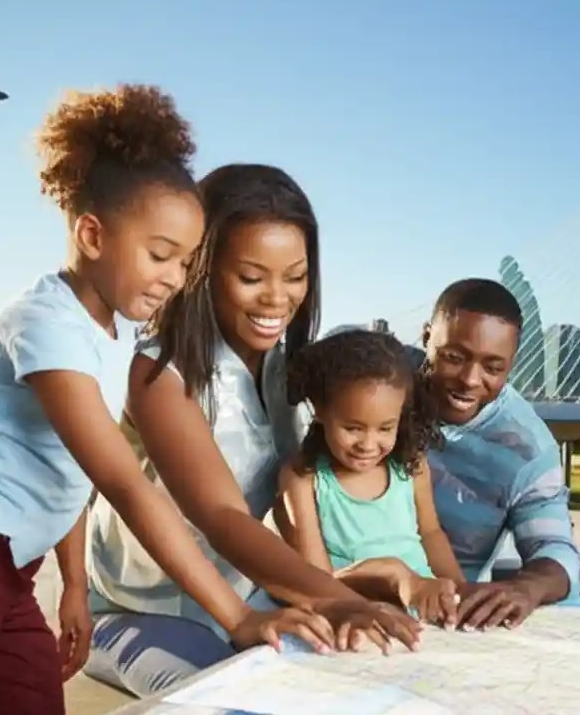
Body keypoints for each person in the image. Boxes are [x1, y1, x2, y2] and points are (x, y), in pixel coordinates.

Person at [0, 85, 351, 715]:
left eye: (186, 261)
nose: (176, 278)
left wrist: (69, 584)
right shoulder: (47, 325)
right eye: (161, 256)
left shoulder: (103, 335)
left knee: (34, 701)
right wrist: (238, 617)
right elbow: (121, 482)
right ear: (92, 233)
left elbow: (67, 475)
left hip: (10, 564)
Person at [84, 164, 421, 699]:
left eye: (295, 276)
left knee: (362, 679)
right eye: (251, 276)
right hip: (144, 610)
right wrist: (332, 596)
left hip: (249, 600)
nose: (277, 299)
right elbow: (221, 517)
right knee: (229, 700)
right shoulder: (157, 375)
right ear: (202, 267)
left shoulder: (288, 370)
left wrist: (365, 586)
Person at [421, 278, 580, 629]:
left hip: (441, 621)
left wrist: (525, 589)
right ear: (426, 340)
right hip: (337, 591)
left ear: (511, 365)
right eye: (453, 357)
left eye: (493, 368)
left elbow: (556, 550)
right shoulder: (379, 381)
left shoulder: (529, 450)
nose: (469, 379)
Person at [276, 329, 466, 626]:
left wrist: (459, 590)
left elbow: (431, 534)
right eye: (353, 428)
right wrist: (392, 575)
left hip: (428, 616)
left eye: (385, 428)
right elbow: (317, 580)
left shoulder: (411, 466)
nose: (368, 444)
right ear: (320, 410)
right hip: (356, 618)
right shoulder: (303, 479)